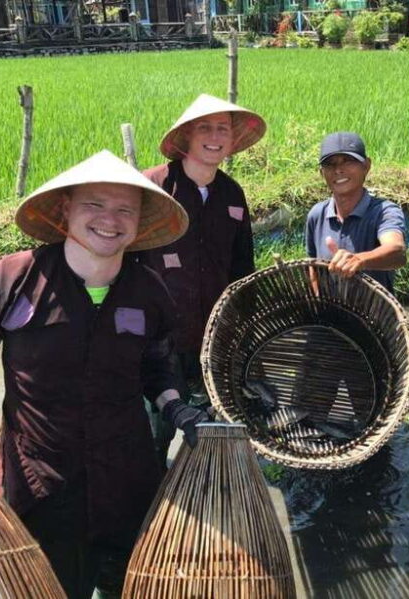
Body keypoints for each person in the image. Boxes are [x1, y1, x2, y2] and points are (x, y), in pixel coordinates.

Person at [0, 150, 210, 598]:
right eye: (94, 205)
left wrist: (178, 409)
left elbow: (157, 366)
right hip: (38, 486)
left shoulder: (149, 290)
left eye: (126, 209)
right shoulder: (11, 278)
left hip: (128, 482)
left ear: (141, 221)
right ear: (65, 209)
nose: (110, 219)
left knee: (129, 585)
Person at [141, 94, 266, 472]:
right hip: (157, 339)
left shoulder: (233, 194)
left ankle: (204, 489)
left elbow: (243, 268)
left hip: (213, 337)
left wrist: (245, 331)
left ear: (232, 140)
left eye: (222, 129)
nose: (214, 137)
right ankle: (151, 496)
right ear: (186, 137)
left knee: (212, 423)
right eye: (204, 128)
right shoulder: (153, 188)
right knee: (156, 428)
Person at [303, 130, 407, 423]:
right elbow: (313, 267)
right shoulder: (316, 215)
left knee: (371, 414)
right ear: (323, 172)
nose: (339, 170)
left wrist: (359, 259)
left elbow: (396, 250)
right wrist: (318, 311)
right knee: (312, 414)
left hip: (372, 331)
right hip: (330, 331)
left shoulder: (384, 212)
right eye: (330, 164)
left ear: (366, 166)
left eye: (348, 162)